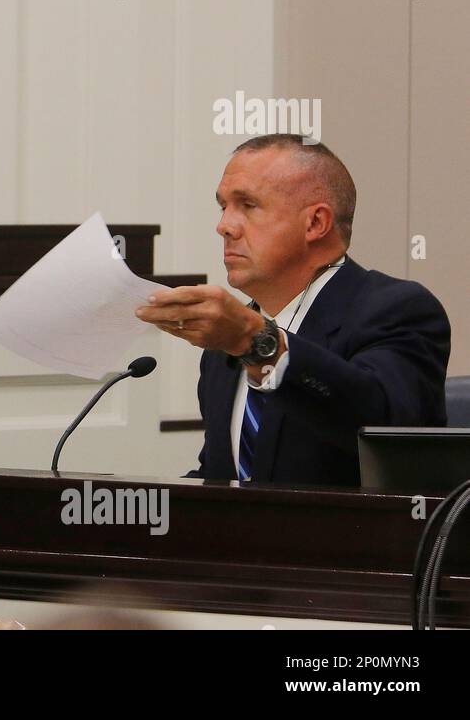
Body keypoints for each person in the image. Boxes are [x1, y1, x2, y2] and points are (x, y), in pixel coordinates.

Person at [135, 134, 449, 486]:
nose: (224, 225)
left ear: (315, 223)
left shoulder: (396, 309)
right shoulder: (226, 343)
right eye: (223, 206)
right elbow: (222, 479)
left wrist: (256, 343)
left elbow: (380, 430)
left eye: (248, 205)